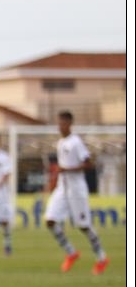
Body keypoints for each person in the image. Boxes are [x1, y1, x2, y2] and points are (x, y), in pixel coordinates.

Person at [45, 111, 108, 274]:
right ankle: (71, 253)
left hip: (76, 189)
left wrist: (67, 169)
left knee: (83, 226)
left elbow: (88, 164)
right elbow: (60, 168)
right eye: (58, 123)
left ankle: (101, 257)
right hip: (62, 188)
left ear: (69, 124)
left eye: (63, 123)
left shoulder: (76, 142)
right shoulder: (60, 143)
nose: (60, 126)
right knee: (50, 220)